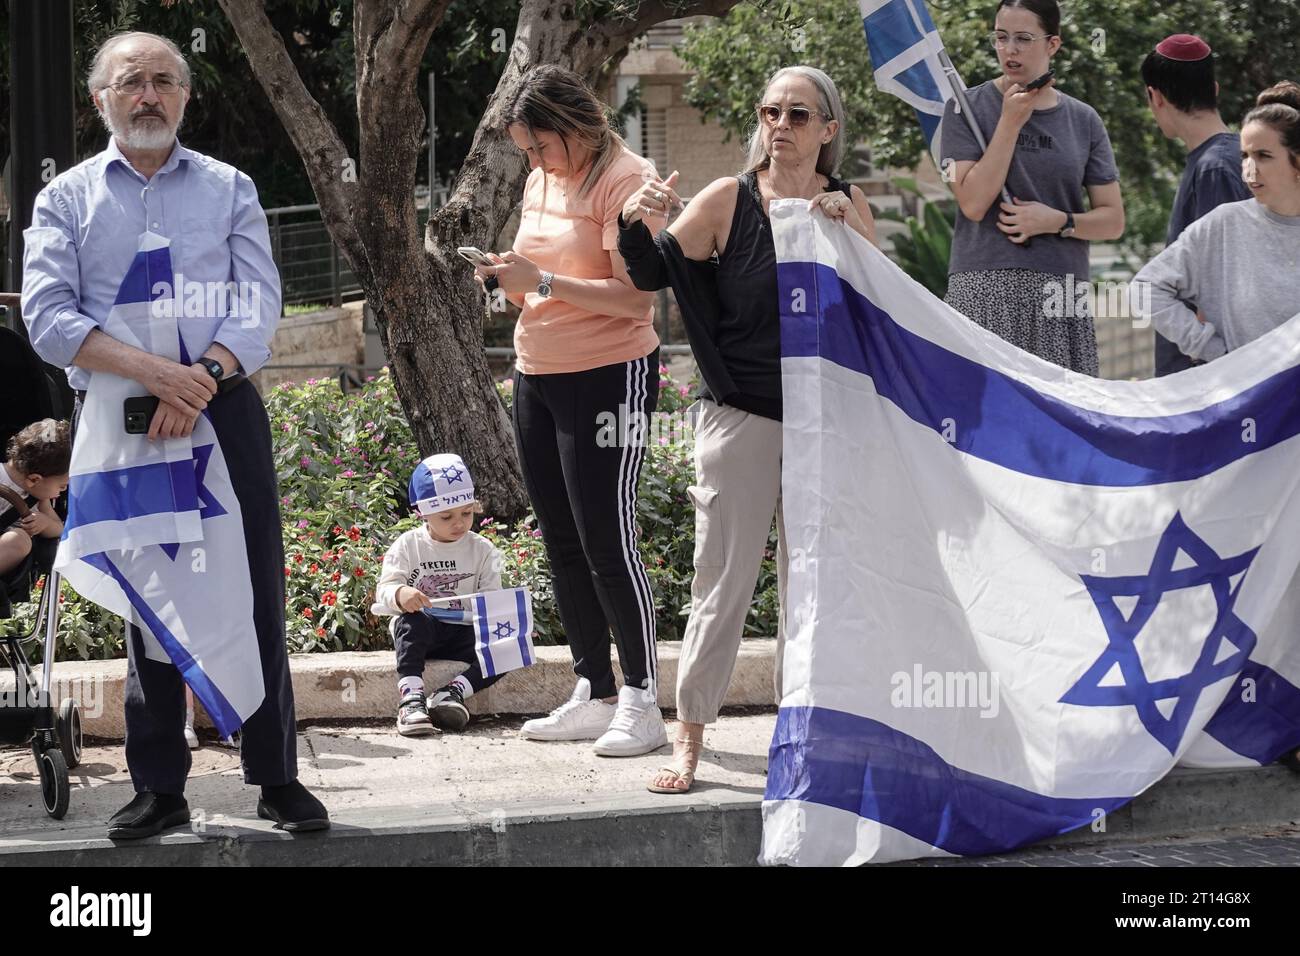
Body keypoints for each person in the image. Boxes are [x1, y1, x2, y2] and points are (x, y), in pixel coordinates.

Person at [21, 31, 328, 837]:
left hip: (222, 413)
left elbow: (258, 303)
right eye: (132, 82)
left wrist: (203, 379)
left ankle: (276, 776)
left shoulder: (230, 188)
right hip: (122, 421)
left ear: (185, 96)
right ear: (102, 100)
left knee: (253, 587)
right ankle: (159, 787)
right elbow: (48, 318)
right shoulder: (65, 200)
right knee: (145, 592)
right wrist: (158, 374)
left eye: (164, 80)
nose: (149, 94)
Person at [618, 65, 877, 793]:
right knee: (722, 582)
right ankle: (689, 741)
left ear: (828, 129)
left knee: (812, 585)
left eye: (798, 115)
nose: (780, 125)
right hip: (742, 414)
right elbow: (651, 274)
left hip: (825, 423)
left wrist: (851, 235)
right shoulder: (729, 199)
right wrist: (634, 220)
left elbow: (880, 304)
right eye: (771, 112)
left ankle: (803, 736)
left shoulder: (846, 201)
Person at [474, 66, 668, 757]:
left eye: (540, 145)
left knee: (606, 539)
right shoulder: (541, 180)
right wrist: (510, 278)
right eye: (526, 150)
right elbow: (534, 286)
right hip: (538, 373)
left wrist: (546, 280)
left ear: (572, 125)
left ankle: (643, 699)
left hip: (611, 376)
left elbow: (637, 299)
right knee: (560, 537)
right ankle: (597, 689)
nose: (534, 160)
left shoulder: (628, 180)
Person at [1130, 81, 1300, 772]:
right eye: (1247, 155)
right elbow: (1147, 288)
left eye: (1265, 156)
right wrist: (1216, 351)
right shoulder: (1226, 227)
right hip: (1253, 436)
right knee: (1252, 575)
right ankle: (1250, 718)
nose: (1249, 169)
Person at [940, 0, 1124, 374]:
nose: (1009, 49)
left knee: (1060, 410)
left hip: (1061, 292)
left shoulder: (1084, 119)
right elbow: (972, 203)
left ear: (1052, 44)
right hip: (983, 287)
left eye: (1023, 39)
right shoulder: (964, 109)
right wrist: (1009, 122)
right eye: (1001, 37)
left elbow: (1113, 221)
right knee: (987, 407)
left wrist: (1058, 221)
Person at [1141, 34, 1253, 376]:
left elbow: (1221, 283)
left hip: (1207, 376)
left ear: (1155, 96)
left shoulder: (1214, 168)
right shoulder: (1225, 158)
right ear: (1214, 90)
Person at [375, 453, 505, 735]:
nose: (459, 523)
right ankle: (411, 699)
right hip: (424, 630)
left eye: (466, 513)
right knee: (411, 622)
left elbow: (492, 600)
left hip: (464, 631)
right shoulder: (408, 545)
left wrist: (506, 617)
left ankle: (452, 692)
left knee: (508, 646)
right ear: (423, 513)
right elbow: (384, 589)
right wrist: (401, 593)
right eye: (446, 516)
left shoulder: (483, 550)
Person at [0, 420, 69, 595]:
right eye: (62, 486)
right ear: (34, 479)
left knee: (20, 540)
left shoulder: (38, 498)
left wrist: (44, 523)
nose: (62, 491)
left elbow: (60, 529)